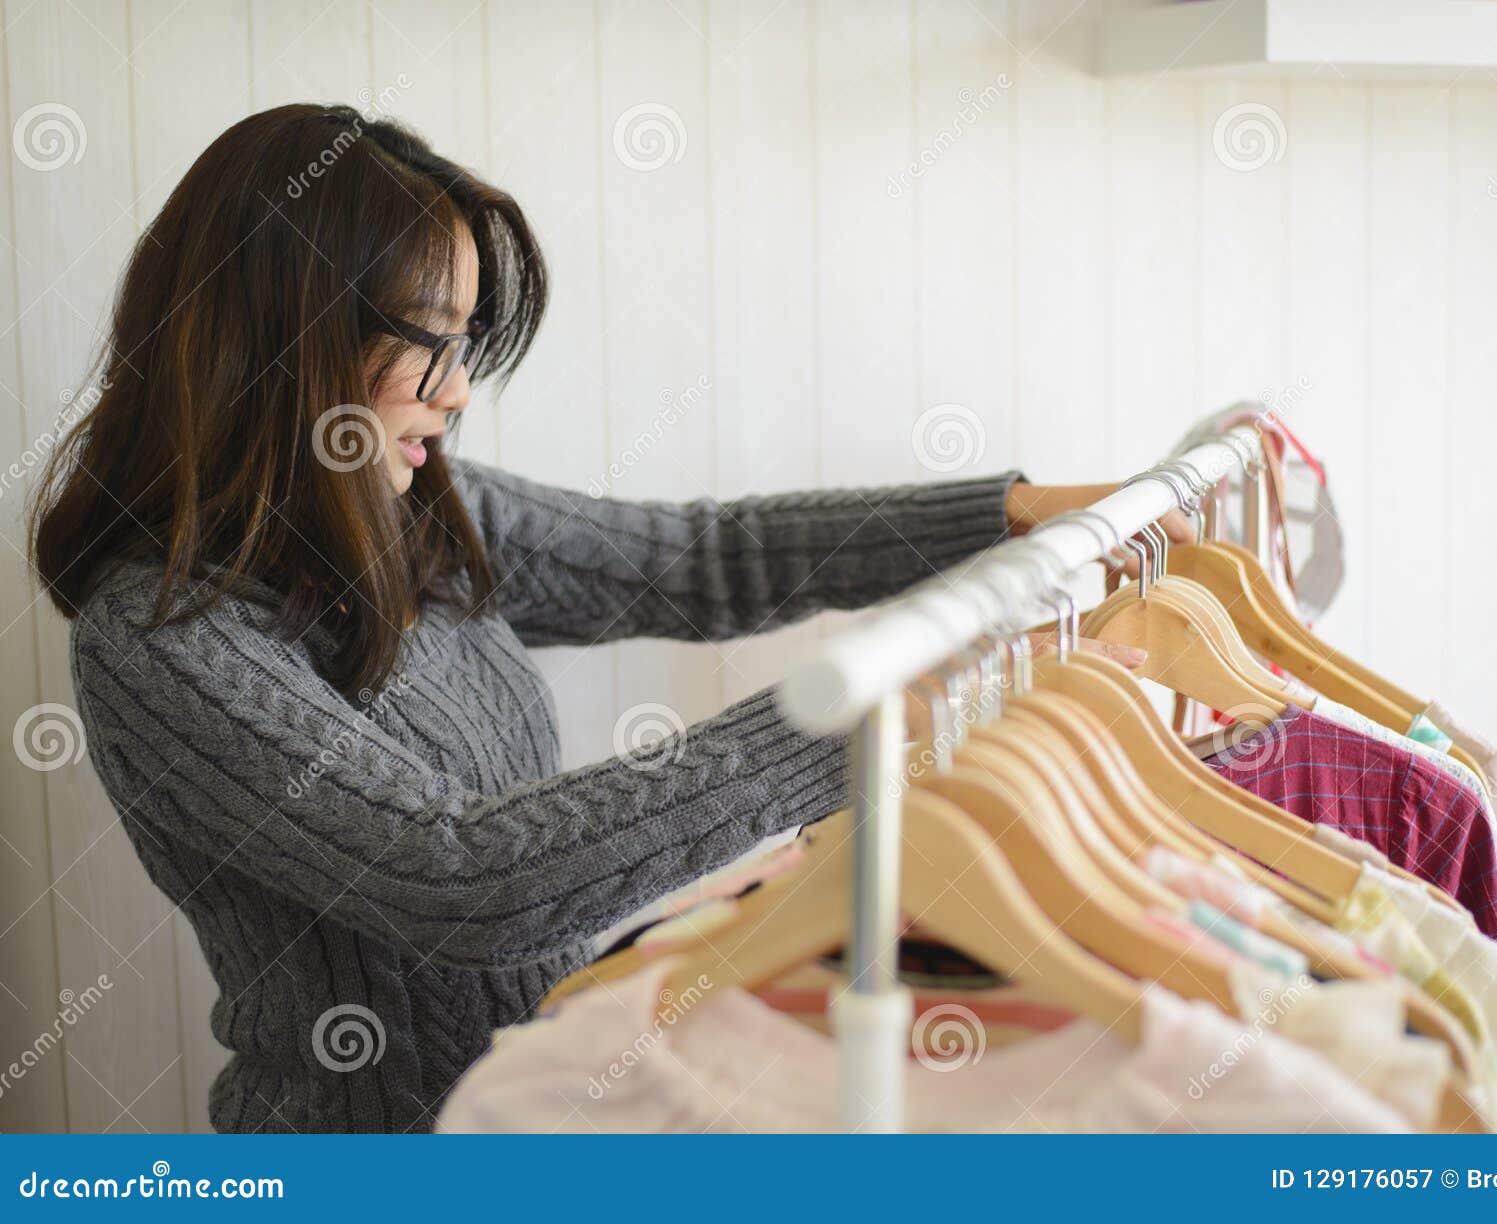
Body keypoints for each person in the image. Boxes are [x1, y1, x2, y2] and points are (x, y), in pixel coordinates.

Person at [29, 104, 1184, 1133]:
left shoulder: (424, 515)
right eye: (430, 340)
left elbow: (697, 559)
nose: (459, 389)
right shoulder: (163, 638)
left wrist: (1012, 515)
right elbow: (460, 878)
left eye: (468, 343)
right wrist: (852, 724)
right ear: (288, 338)